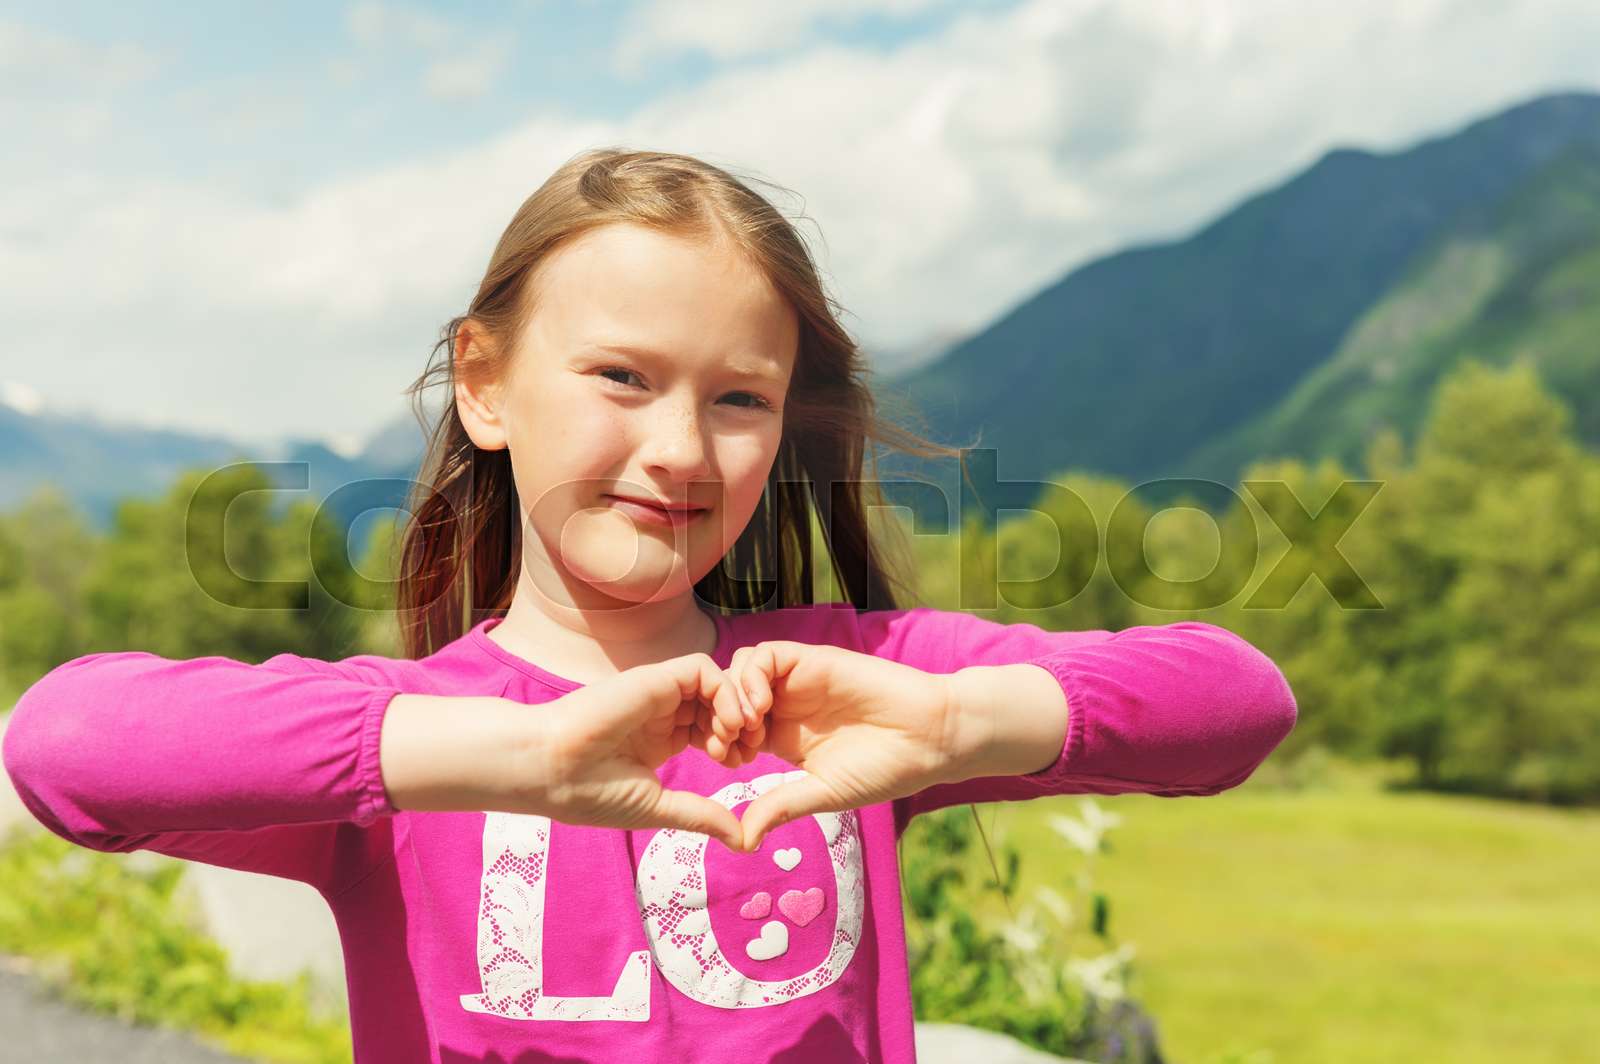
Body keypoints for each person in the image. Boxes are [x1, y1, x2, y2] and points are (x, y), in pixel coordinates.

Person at [1, 148, 1298, 1063]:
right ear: (486, 385)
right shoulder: (419, 737)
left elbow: (1237, 703)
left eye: (738, 397)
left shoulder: (846, 690)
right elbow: (67, 749)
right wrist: (515, 754)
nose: (682, 448)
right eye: (622, 376)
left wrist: (961, 723)